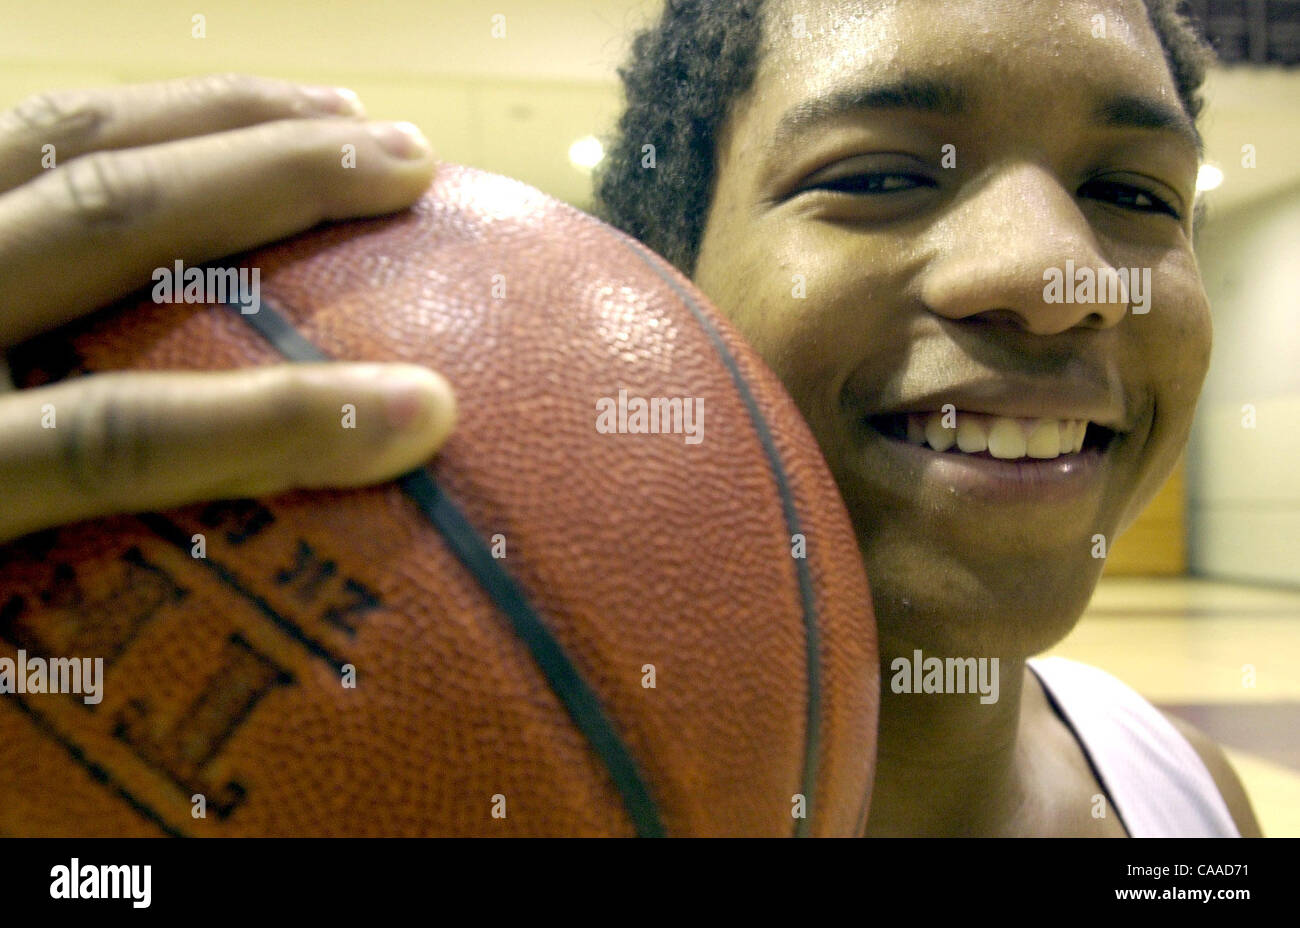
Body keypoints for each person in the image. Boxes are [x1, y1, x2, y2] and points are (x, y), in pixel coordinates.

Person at [0, 0, 1262, 836]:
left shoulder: (1184, 799)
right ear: (661, 288)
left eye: (1130, 193)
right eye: (876, 175)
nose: (1054, 276)